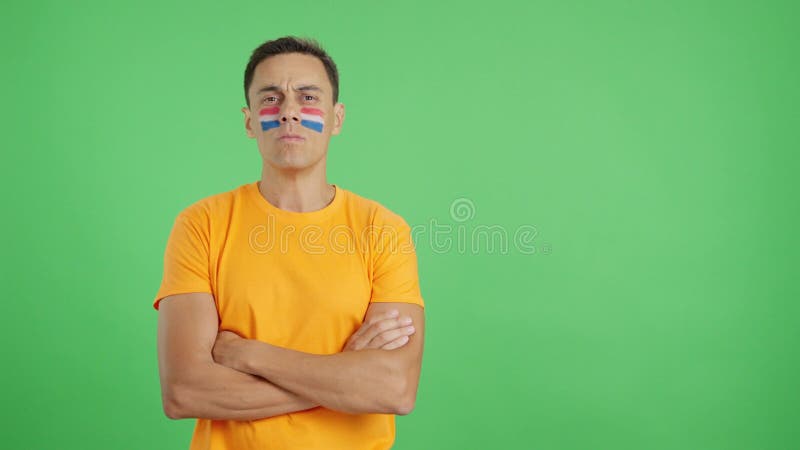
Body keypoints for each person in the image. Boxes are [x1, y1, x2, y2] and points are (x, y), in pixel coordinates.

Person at [152, 36, 426, 449]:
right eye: (271, 99)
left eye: (308, 96)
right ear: (249, 121)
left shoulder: (384, 230)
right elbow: (185, 391)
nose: (289, 113)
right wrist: (343, 377)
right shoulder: (201, 225)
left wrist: (249, 355)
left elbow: (394, 389)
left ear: (337, 118)